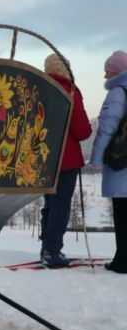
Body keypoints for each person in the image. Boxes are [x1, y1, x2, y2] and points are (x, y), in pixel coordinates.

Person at [39, 54, 92, 267]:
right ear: (66, 69)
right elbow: (81, 130)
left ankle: (45, 247)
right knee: (61, 205)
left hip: (41, 158)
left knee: (49, 204)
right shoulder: (69, 91)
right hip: (66, 159)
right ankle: (52, 251)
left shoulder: (38, 90)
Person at [90, 50, 127, 273]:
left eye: (108, 70)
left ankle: (122, 262)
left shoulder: (117, 92)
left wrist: (96, 157)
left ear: (118, 71)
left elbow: (107, 127)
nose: (105, 76)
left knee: (122, 214)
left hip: (121, 161)